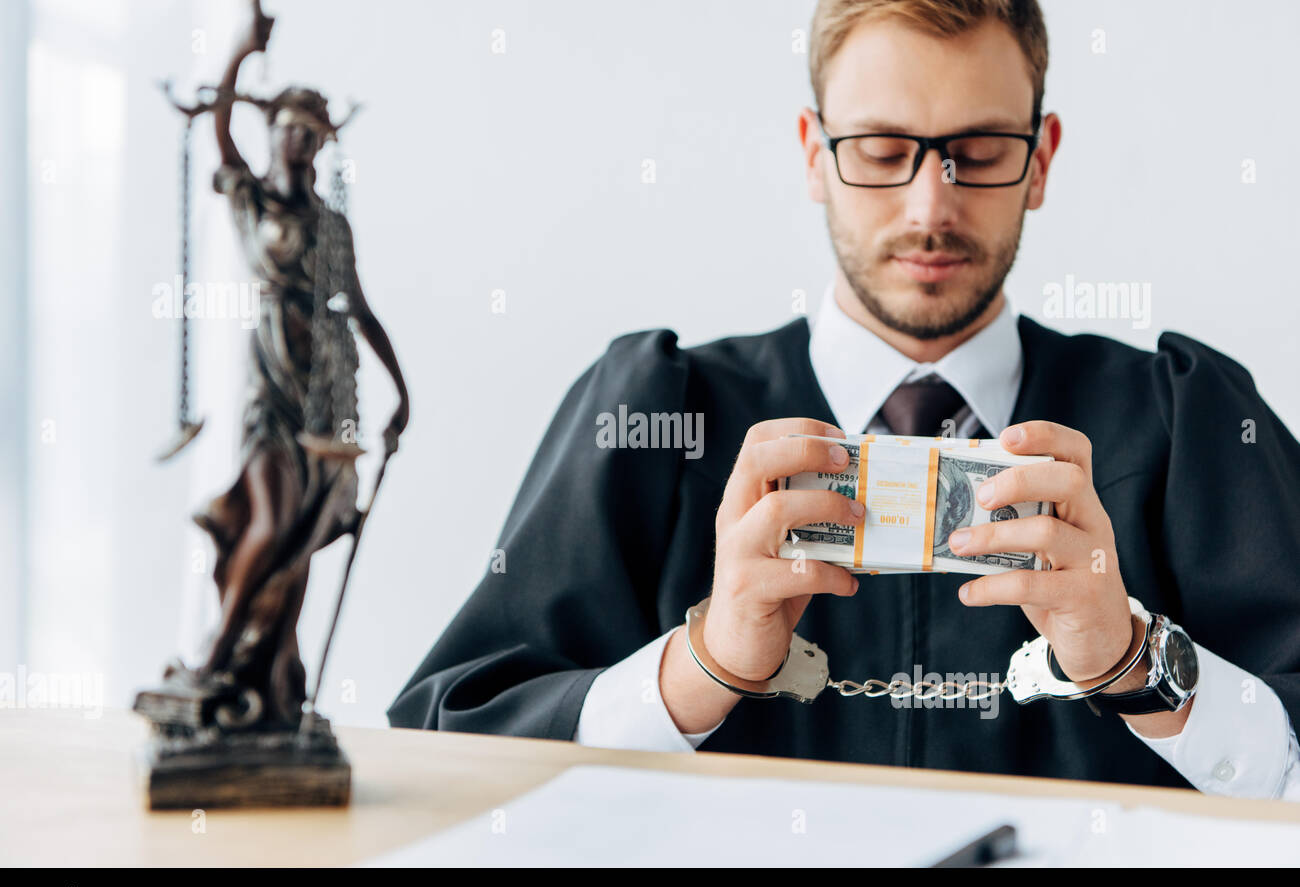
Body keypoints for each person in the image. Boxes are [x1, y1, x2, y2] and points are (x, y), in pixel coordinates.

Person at [390, 0, 1299, 799]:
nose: (929, 207)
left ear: (1040, 160)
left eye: (980, 152)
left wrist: (1140, 663)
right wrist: (697, 670)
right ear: (814, 156)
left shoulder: (1187, 423)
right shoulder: (655, 418)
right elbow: (447, 752)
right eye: (882, 151)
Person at [186, 8, 409, 727]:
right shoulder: (251, 200)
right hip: (270, 389)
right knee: (272, 517)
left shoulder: (331, 224)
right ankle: (215, 657)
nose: (299, 140)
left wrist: (402, 392)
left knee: (304, 539)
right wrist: (239, 53)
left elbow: (360, 307)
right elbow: (219, 128)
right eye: (289, 127)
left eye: (312, 132)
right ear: (274, 132)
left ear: (322, 143)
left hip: (326, 399)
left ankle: (274, 673)